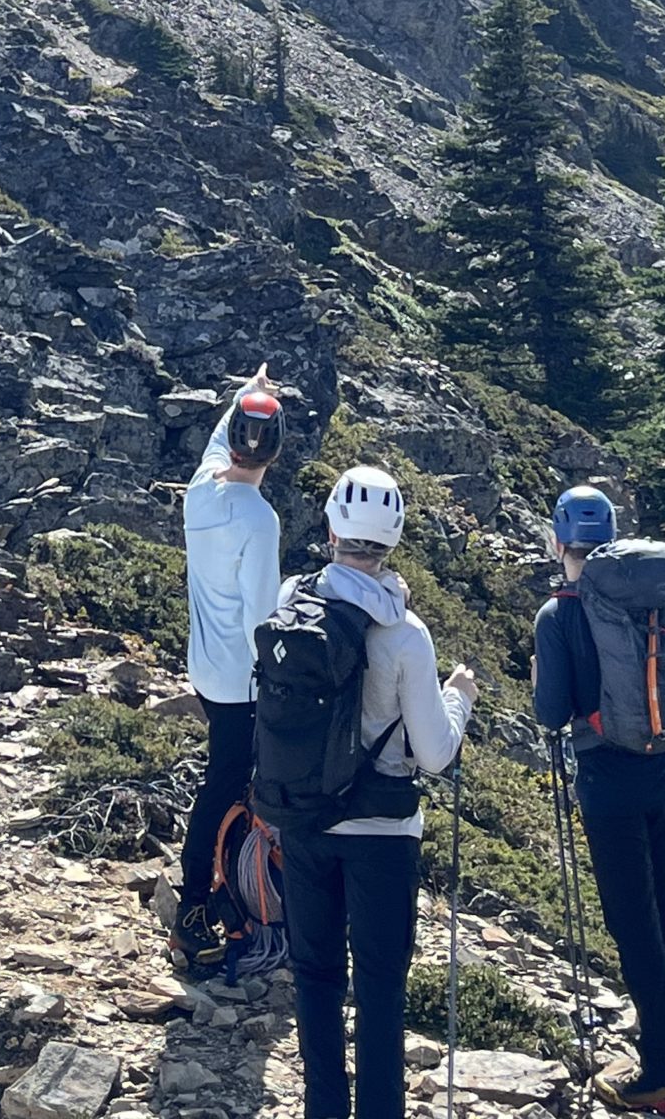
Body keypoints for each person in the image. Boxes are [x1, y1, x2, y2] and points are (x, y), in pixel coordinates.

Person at [274, 466, 476, 1119]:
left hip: (303, 823)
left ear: (331, 528)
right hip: (384, 834)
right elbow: (438, 752)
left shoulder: (291, 602)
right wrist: (460, 698)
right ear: (392, 539)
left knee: (315, 976)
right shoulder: (407, 634)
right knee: (382, 988)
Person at [534, 486, 665, 1117]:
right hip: (662, 772)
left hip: (606, 781)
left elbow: (550, 712)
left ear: (560, 543)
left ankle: (663, 1078)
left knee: (632, 923)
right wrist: (663, 725)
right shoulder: (649, 599)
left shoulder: (559, 614)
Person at [175, 366, 285, 973]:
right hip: (243, 680)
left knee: (227, 782)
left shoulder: (200, 492)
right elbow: (262, 619)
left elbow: (221, 440)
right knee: (225, 787)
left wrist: (248, 393)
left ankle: (218, 887)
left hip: (206, 670)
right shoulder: (258, 519)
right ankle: (195, 907)